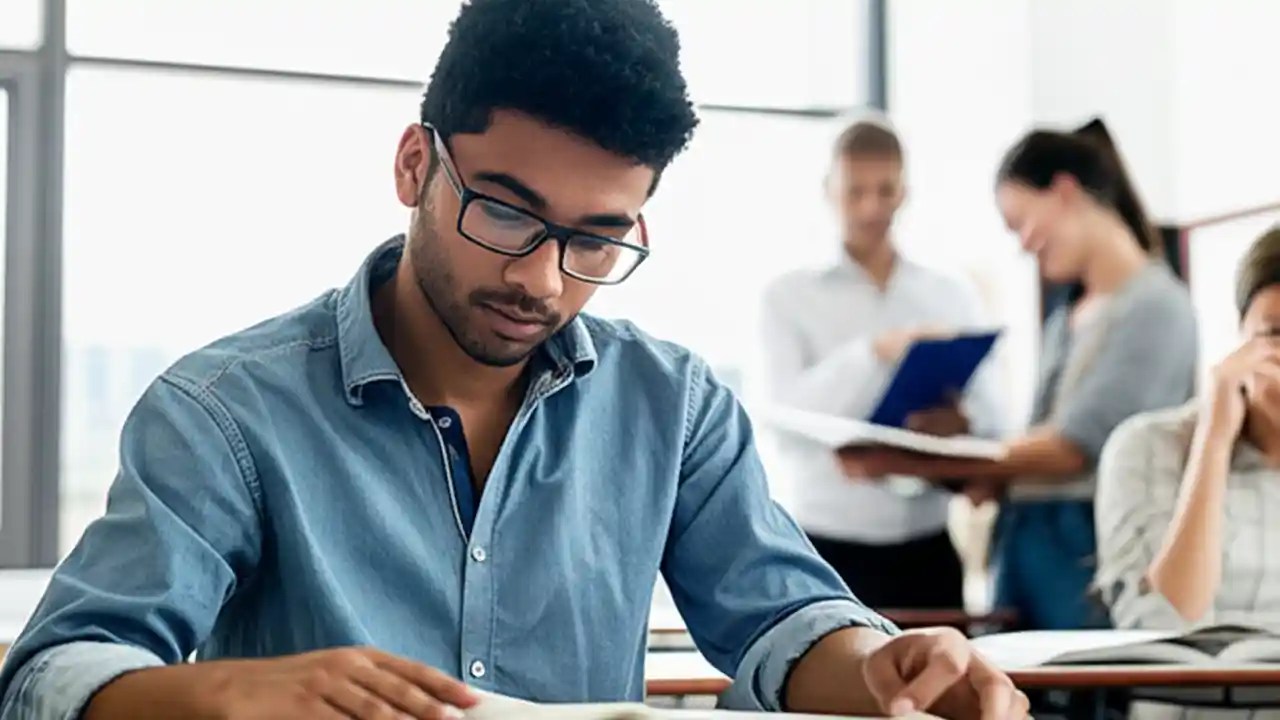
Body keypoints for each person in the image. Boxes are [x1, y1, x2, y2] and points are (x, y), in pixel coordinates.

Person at [0, 2, 1029, 719]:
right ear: (416, 166)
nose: (542, 280)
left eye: (595, 238)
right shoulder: (227, 411)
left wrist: (887, 670)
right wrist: (224, 694)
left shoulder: (672, 407)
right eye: (505, 212)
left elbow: (780, 622)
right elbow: (53, 674)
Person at [838, 119, 1198, 630]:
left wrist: (914, 459)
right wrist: (962, 453)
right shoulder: (1067, 311)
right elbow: (1038, 441)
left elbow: (1073, 447)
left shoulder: (1156, 308)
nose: (1026, 245)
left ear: (1065, 192)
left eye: (1023, 222)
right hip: (1031, 553)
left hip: (1090, 558)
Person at [762, 118, 1004, 611]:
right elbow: (783, 421)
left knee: (944, 686)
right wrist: (874, 352)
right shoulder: (788, 297)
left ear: (905, 192)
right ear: (829, 191)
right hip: (827, 549)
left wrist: (963, 422)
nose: (872, 207)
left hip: (929, 548)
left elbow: (995, 420)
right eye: (856, 192)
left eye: (886, 190)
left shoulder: (949, 294)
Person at [1096, 226, 1280, 631]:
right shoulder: (1145, 447)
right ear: (1240, 338)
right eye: (1275, 334)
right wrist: (1213, 442)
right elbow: (1164, 628)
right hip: (1189, 694)